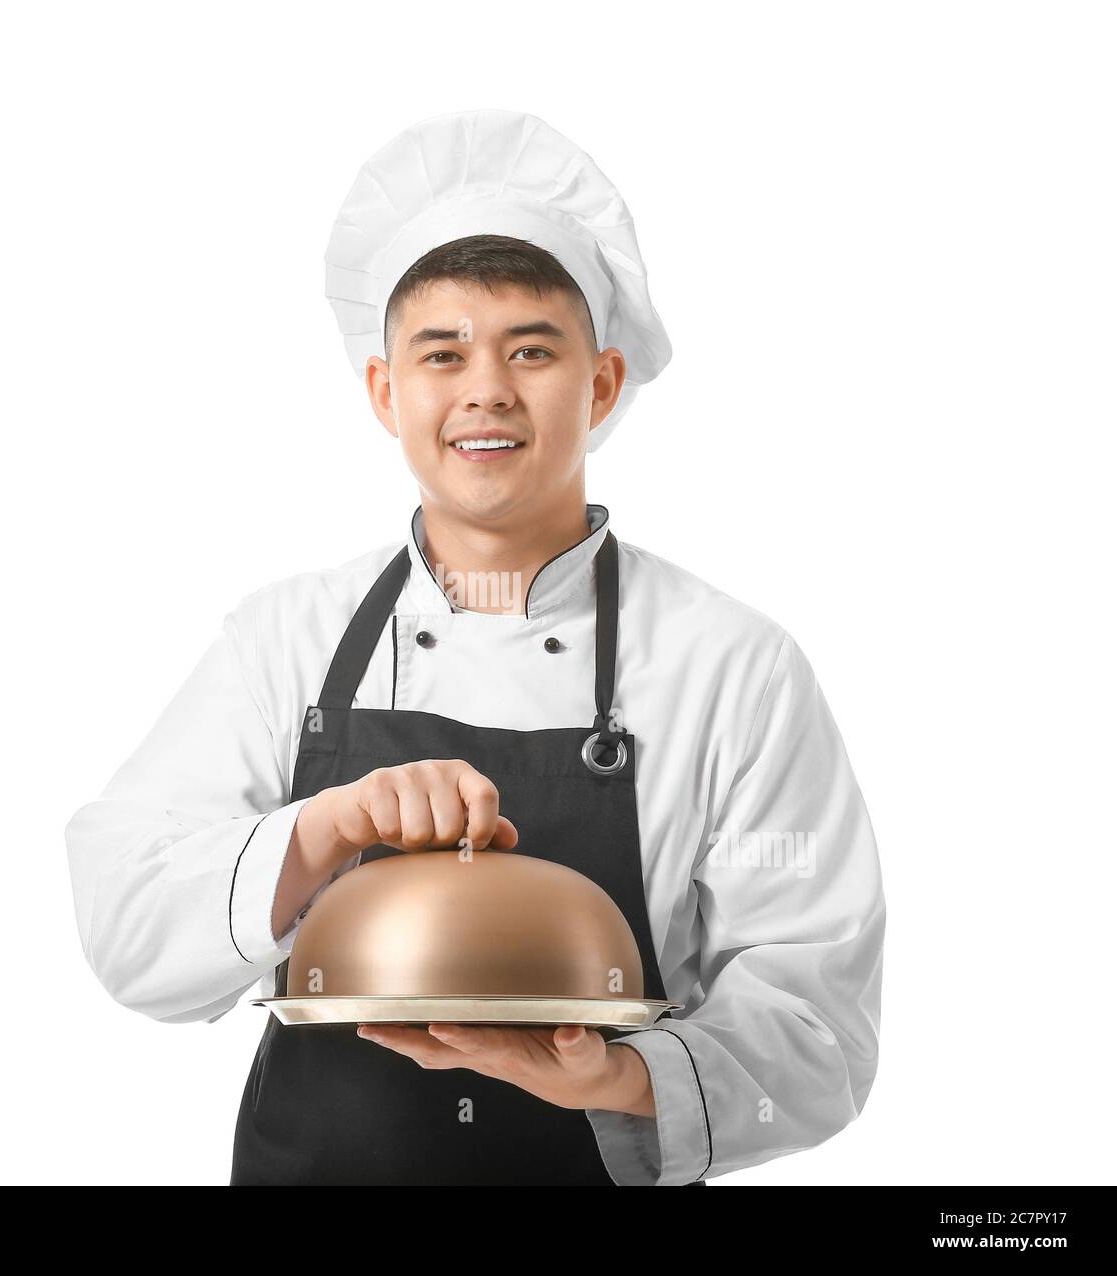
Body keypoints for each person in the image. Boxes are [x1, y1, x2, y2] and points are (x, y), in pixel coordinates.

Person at [64, 108, 885, 1186]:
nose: (485, 389)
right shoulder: (285, 641)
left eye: (530, 350)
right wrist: (323, 830)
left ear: (599, 385)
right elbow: (127, 920)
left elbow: (819, 1032)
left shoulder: (731, 668)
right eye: (441, 353)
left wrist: (621, 1080)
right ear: (386, 391)